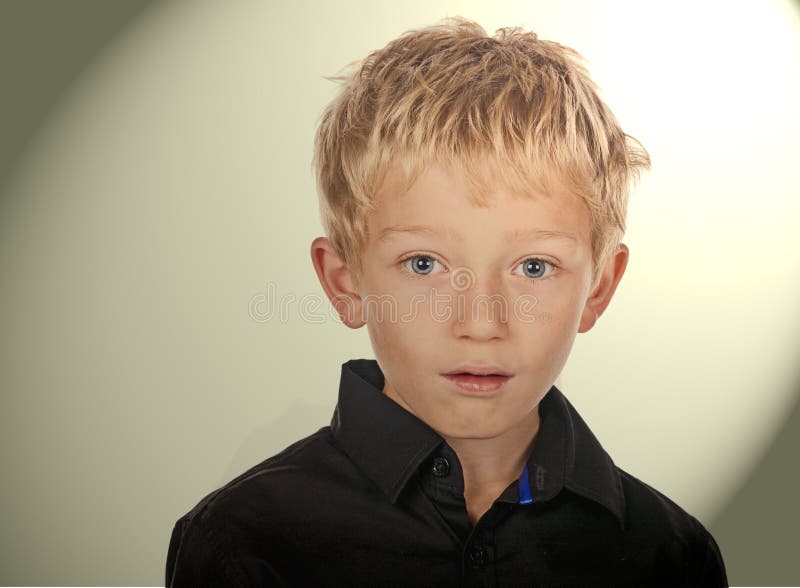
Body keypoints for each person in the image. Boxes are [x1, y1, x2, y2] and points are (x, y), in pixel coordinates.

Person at [165, 16, 728, 587]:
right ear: (344, 282)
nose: (481, 323)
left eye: (534, 267)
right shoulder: (242, 544)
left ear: (599, 288)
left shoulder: (670, 556)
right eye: (424, 264)